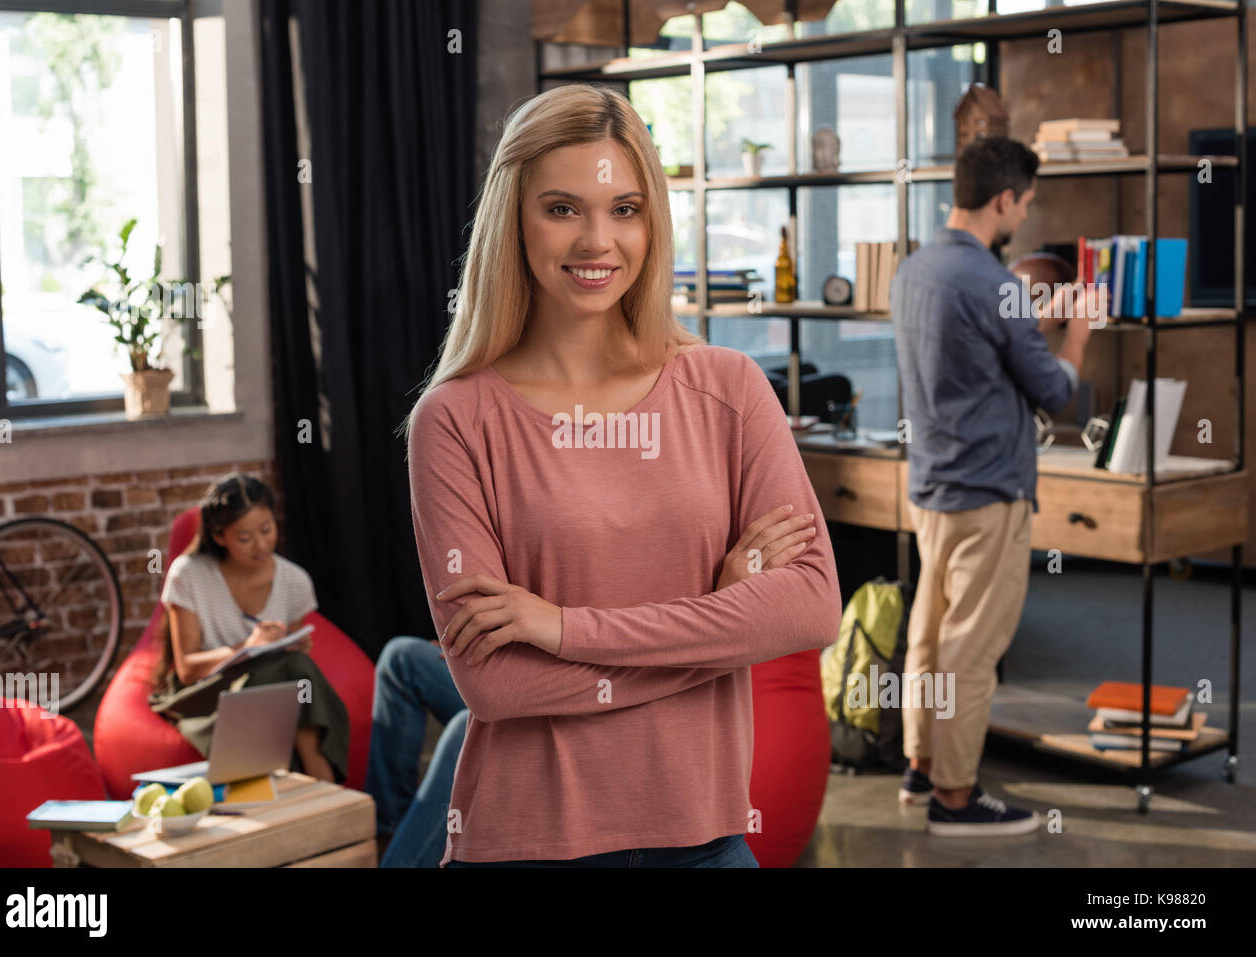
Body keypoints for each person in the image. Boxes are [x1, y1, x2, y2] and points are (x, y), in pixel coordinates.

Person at [396, 83, 843, 867]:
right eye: (563, 208)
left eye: (625, 209)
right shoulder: (455, 420)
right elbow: (495, 685)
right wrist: (723, 618)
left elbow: (809, 606)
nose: (597, 240)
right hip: (524, 845)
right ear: (514, 218)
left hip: (706, 840)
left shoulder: (730, 390)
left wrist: (562, 628)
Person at [889, 136, 1096, 836]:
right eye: (1025, 204)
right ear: (1004, 199)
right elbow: (1051, 391)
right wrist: (1076, 337)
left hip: (931, 488)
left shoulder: (912, 270)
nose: (1023, 218)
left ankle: (920, 766)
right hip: (988, 493)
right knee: (972, 649)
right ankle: (956, 797)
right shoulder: (997, 285)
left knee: (930, 634)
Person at [150, 472, 349, 783]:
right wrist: (247, 647)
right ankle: (325, 786)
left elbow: (284, 656)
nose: (261, 545)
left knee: (295, 665)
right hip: (206, 693)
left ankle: (316, 788)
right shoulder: (188, 575)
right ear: (219, 536)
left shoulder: (294, 581)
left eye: (267, 530)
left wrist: (289, 645)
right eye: (244, 538)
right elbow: (187, 669)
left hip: (272, 691)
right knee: (294, 671)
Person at [365, 634, 466, 866]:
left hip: (546, 699)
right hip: (505, 664)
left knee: (465, 730)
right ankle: (390, 833)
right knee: (401, 657)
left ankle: (403, 861)